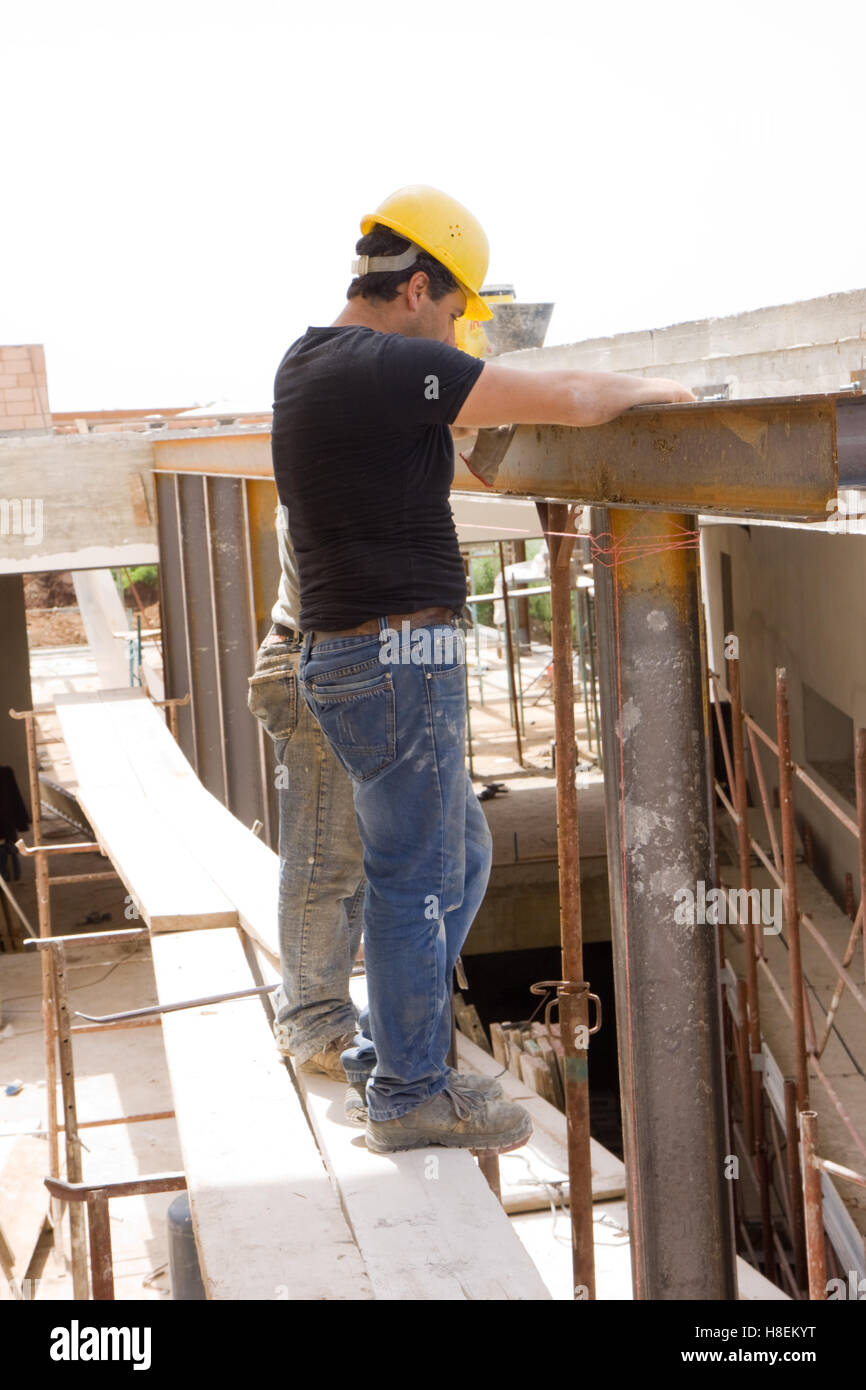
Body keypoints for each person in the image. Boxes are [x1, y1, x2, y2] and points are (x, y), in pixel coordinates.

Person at [274, 185, 696, 1154]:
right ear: (416, 286)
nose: (461, 331)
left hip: (358, 654)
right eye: (458, 309)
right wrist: (674, 396)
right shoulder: (391, 364)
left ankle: (392, 1056)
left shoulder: (310, 362)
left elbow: (455, 449)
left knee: (451, 859)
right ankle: (410, 1095)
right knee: (413, 874)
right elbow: (582, 401)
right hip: (392, 655)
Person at [247, 503, 365, 1081]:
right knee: (325, 859)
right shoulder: (330, 449)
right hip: (315, 660)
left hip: (336, 659)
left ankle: (319, 1008)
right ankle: (313, 1022)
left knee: (352, 859)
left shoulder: (357, 440)